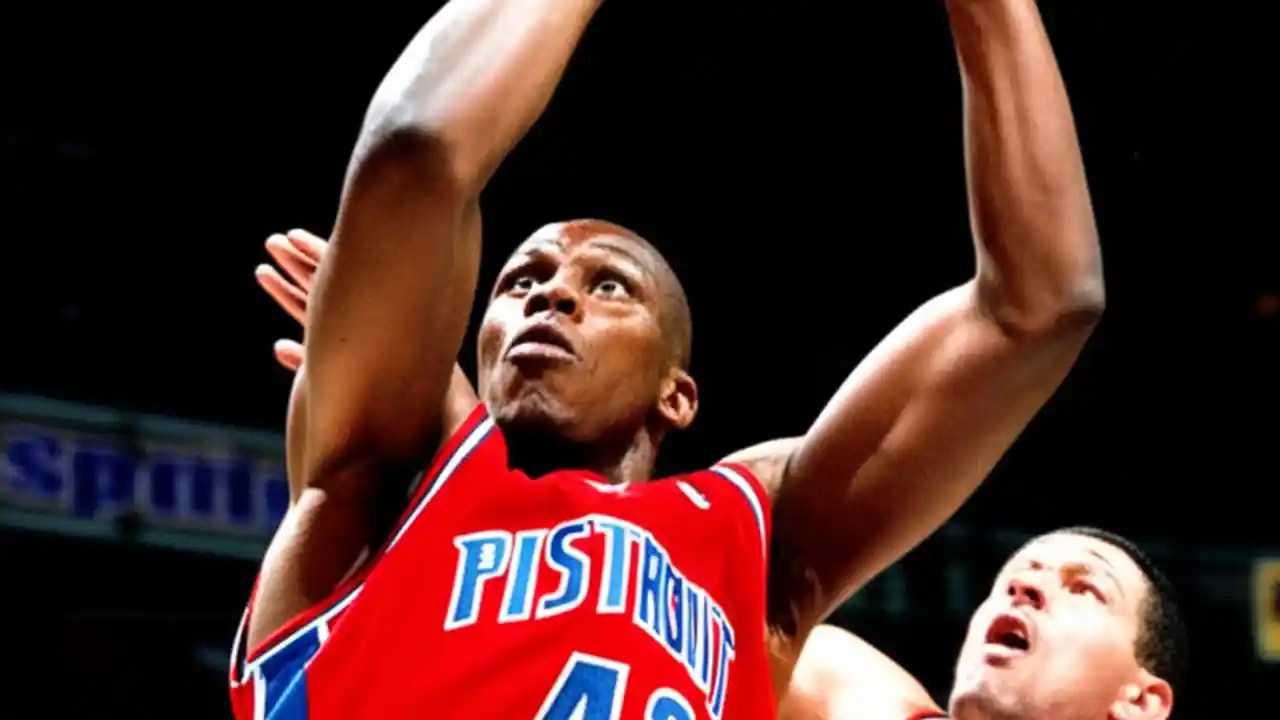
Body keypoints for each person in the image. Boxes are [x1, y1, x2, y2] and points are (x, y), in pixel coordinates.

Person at [228, 0, 1105, 716]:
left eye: (609, 288)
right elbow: (416, 149)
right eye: (519, 280)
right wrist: (380, 313)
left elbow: (1039, 307)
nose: (551, 295)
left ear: (677, 396)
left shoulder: (751, 543)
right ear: (474, 341)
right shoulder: (384, 483)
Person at [778, 528, 1188, 720]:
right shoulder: (840, 690)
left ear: (1140, 703)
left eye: (1083, 589)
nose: (1024, 586)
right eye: (1011, 580)